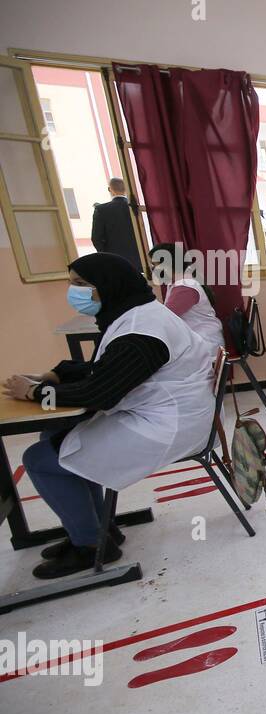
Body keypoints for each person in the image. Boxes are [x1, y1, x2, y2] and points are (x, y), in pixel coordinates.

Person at [1, 254, 216, 579]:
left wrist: (34, 393)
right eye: (72, 283)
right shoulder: (134, 314)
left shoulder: (141, 330)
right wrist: (57, 375)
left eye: (81, 285)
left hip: (168, 424)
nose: (74, 292)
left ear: (109, 285)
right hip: (165, 411)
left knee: (39, 458)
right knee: (56, 437)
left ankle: (90, 544)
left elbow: (99, 394)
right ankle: (98, 528)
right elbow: (106, 370)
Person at [148, 243, 224, 355]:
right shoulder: (181, 280)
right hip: (198, 340)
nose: (153, 269)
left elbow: (165, 318)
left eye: (155, 264)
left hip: (204, 345)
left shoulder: (184, 287)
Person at [89, 178, 142, 272]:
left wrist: (106, 255)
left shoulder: (101, 210)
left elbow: (96, 238)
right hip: (140, 259)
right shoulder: (137, 208)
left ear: (110, 189)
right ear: (126, 189)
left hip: (115, 260)